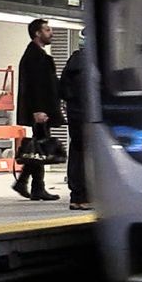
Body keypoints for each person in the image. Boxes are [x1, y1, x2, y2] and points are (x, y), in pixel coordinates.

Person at [14, 18, 64, 201]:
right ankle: (35, 186)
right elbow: (35, 86)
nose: (51, 33)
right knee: (40, 146)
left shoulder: (38, 54)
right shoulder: (34, 56)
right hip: (40, 111)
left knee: (39, 147)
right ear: (37, 33)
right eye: (47, 30)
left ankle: (27, 183)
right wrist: (38, 109)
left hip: (43, 109)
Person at [59, 32, 90, 210]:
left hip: (75, 115)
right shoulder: (91, 63)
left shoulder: (73, 61)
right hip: (88, 115)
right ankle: (85, 195)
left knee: (76, 153)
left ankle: (76, 196)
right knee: (87, 156)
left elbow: (63, 90)